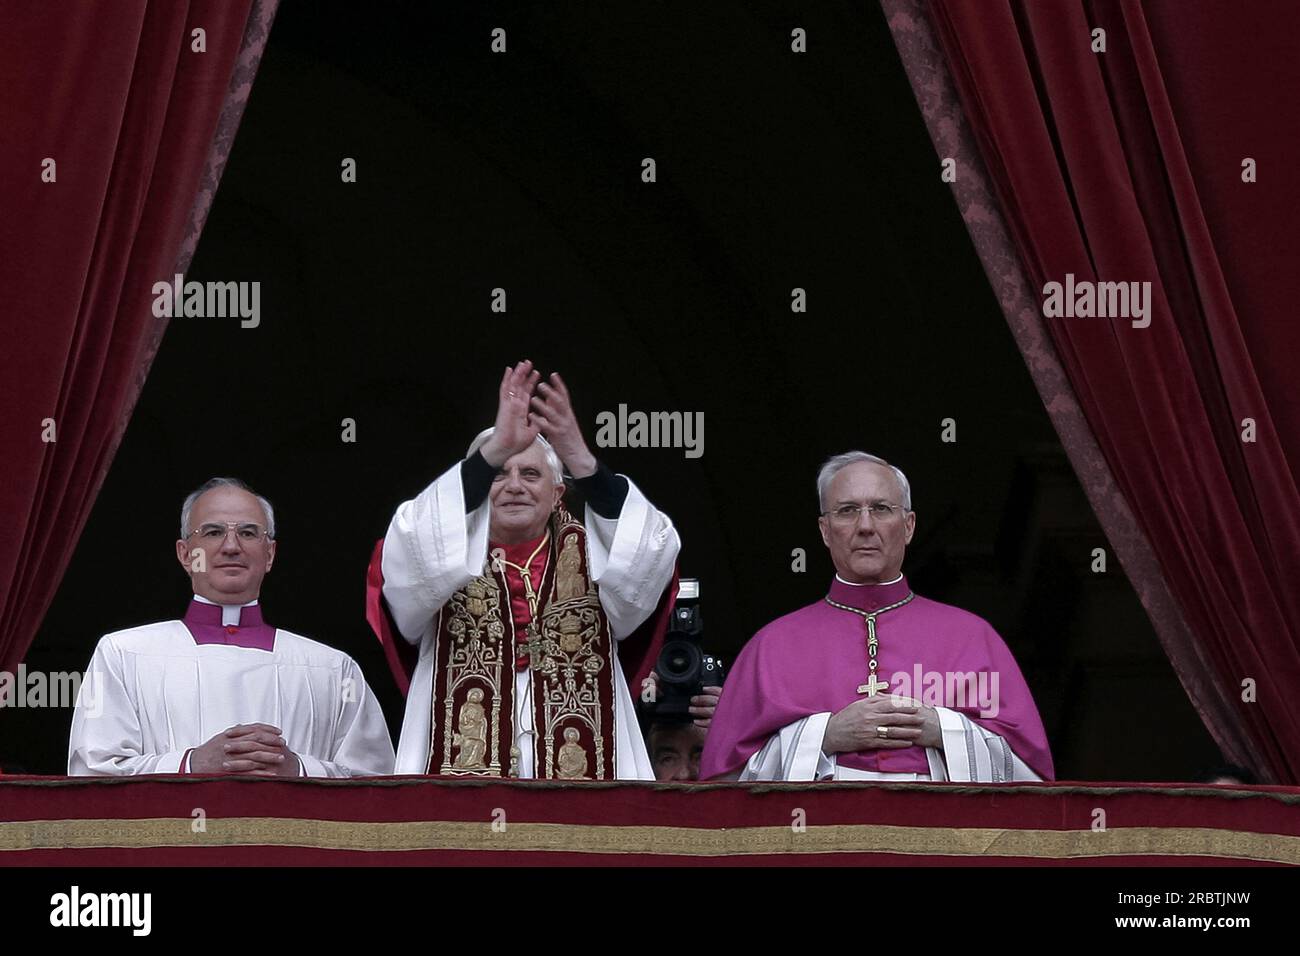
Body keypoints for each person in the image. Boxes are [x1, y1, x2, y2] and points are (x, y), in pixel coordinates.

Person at [376, 360, 680, 778]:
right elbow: (405, 553)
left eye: (530, 473)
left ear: (558, 493)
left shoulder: (598, 551)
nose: (514, 484)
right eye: (498, 474)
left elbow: (654, 547)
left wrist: (578, 455)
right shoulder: (441, 552)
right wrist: (494, 448)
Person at [701, 451, 1053, 782]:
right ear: (825, 531)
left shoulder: (974, 637)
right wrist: (824, 736)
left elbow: (1030, 778)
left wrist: (940, 728)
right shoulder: (772, 646)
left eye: (882, 508)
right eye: (847, 510)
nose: (865, 526)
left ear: (909, 525)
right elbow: (723, 789)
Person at [68, 478, 394, 777]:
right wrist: (191, 764)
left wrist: (298, 770)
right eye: (212, 532)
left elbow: (376, 787)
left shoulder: (333, 669)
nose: (231, 546)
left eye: (249, 533)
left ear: (269, 554)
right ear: (185, 554)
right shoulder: (123, 655)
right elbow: (93, 775)